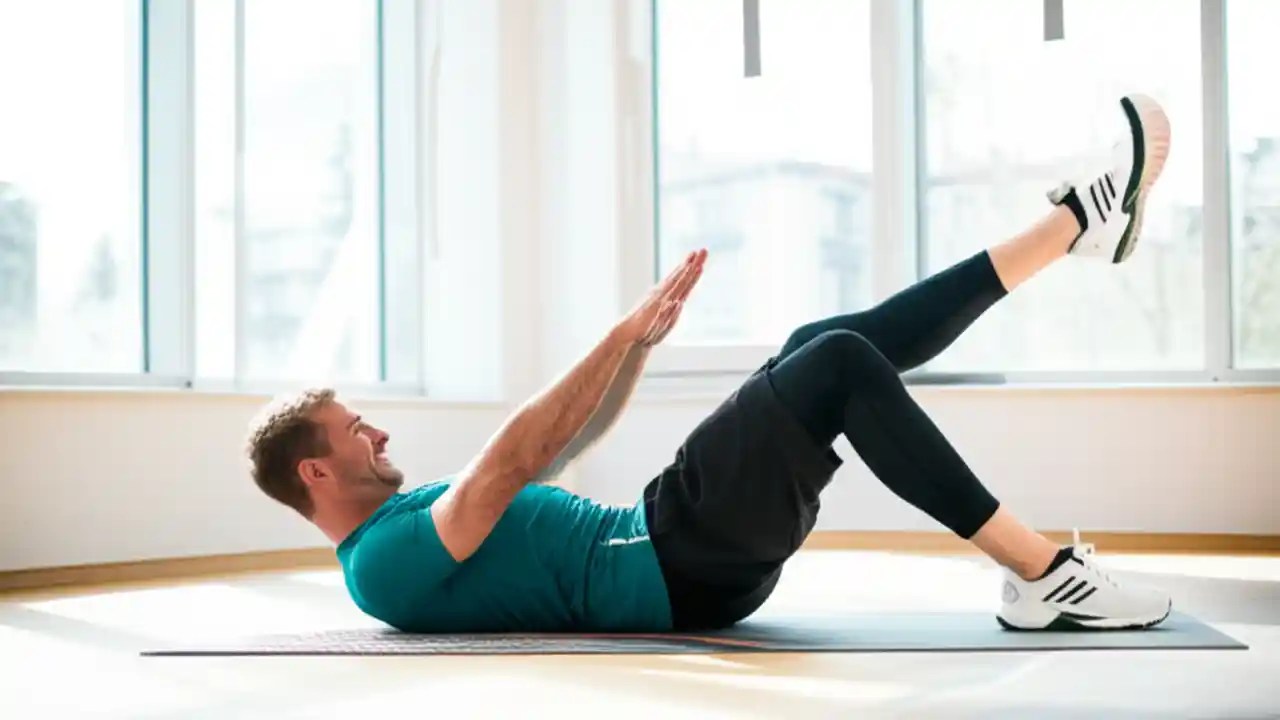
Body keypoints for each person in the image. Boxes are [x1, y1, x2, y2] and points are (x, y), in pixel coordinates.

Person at [247, 94, 1173, 634]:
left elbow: (559, 451)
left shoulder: (402, 517)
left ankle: (1072, 229)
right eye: (353, 430)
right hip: (675, 559)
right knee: (835, 363)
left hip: (677, 546)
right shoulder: (379, 567)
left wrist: (637, 353)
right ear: (314, 472)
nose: (376, 431)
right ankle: (1047, 575)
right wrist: (615, 335)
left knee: (815, 345)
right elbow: (510, 464)